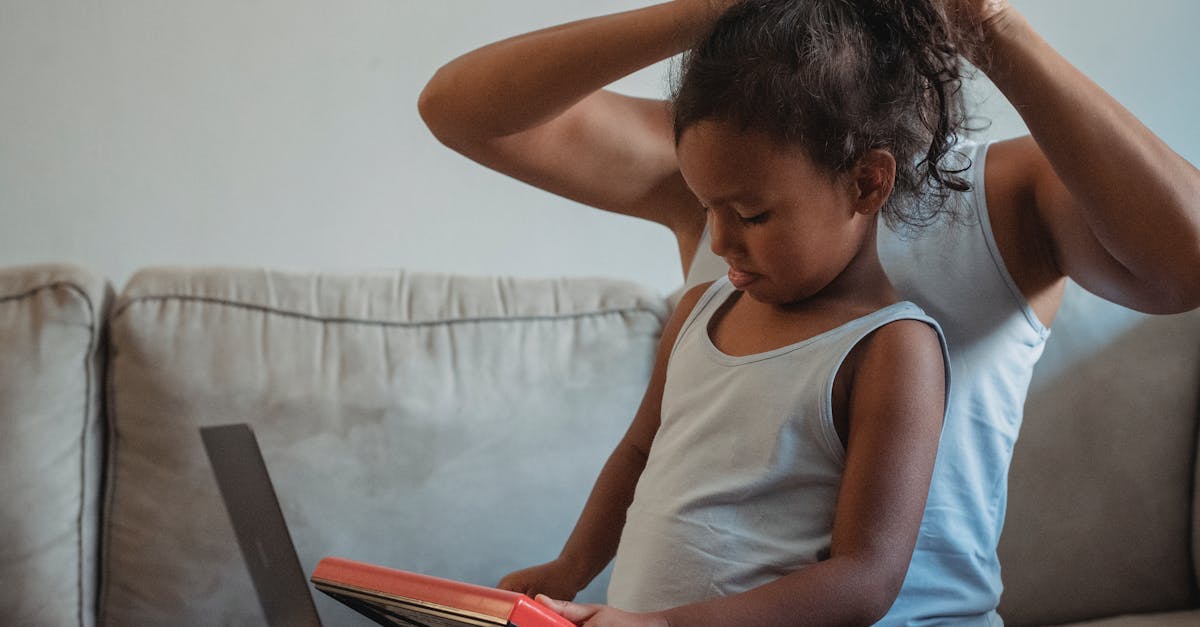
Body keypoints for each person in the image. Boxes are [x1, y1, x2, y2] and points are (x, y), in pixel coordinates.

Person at [418, 0, 1200, 624]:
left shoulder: (1011, 191)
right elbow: (459, 109)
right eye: (711, 207)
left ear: (869, 181)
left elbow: (1187, 264)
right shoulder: (724, 163)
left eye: (752, 215)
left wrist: (991, 26)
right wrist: (718, 12)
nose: (724, 233)